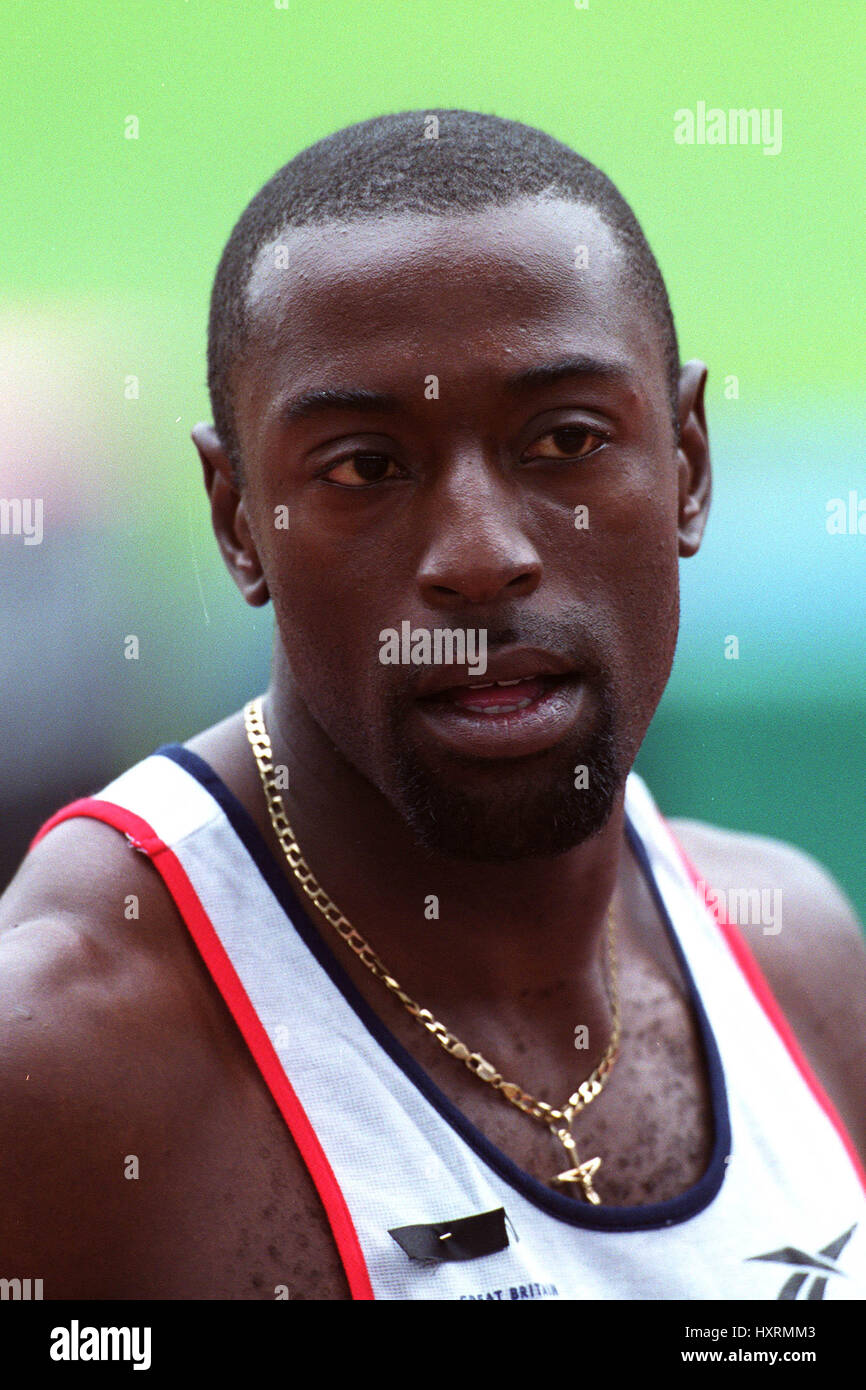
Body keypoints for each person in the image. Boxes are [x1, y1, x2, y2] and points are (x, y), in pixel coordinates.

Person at [1, 109, 864, 1302]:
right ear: (238, 517)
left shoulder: (799, 960)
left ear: (686, 465)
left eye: (565, 438)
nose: (479, 554)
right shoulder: (63, 1061)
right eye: (363, 464)